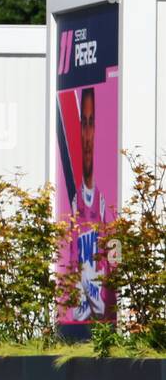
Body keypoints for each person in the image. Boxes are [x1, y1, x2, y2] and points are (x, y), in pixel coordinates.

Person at [70, 87, 111, 321]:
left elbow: (114, 250)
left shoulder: (102, 201)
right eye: (83, 123)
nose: (87, 132)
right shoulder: (75, 200)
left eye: (91, 122)